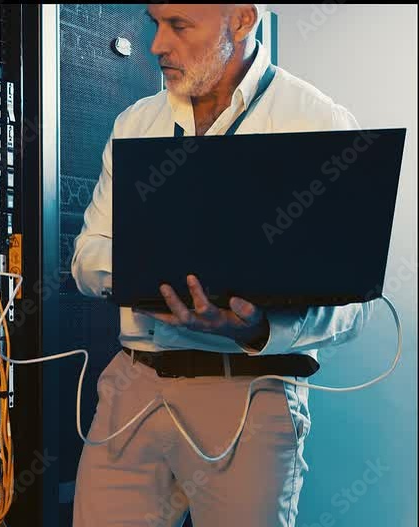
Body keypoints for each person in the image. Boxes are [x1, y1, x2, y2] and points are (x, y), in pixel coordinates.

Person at [70, 4, 373, 526]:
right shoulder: (136, 122)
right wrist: (155, 271)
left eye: (179, 25)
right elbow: (85, 258)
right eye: (156, 23)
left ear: (242, 20)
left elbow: (354, 308)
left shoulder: (316, 121)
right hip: (132, 389)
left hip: (249, 396)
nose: (156, 45)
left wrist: (257, 327)